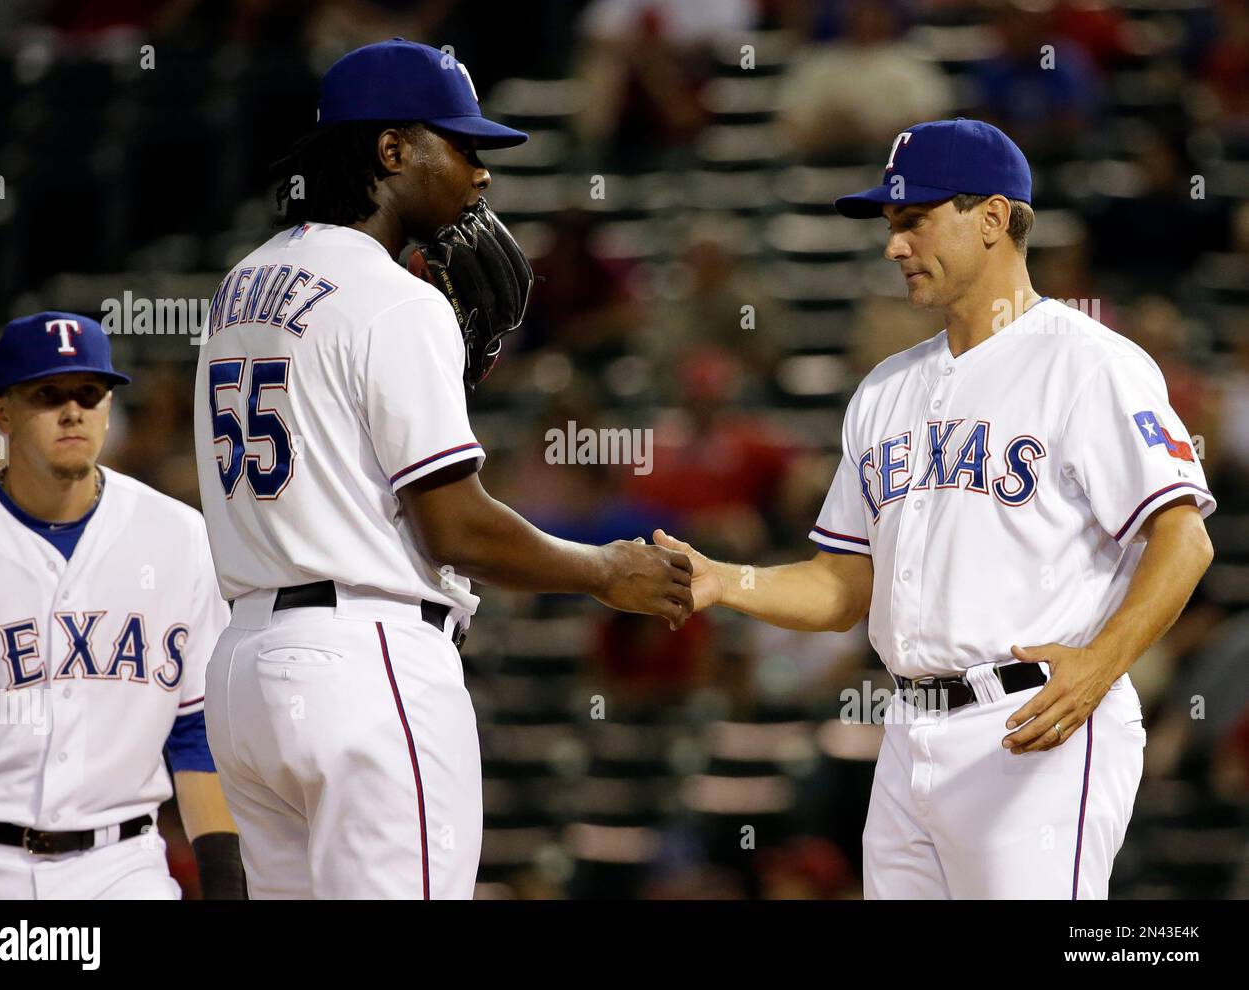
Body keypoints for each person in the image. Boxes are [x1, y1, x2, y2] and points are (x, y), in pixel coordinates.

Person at [655, 119, 1216, 899]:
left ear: (992, 218)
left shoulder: (1089, 364)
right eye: (890, 225)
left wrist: (1101, 665)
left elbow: (1184, 541)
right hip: (906, 733)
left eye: (914, 220)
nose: (894, 245)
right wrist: (728, 582)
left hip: (1033, 726)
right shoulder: (885, 389)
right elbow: (844, 587)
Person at [193, 39, 692, 900]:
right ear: (392, 151)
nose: (481, 175)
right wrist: (604, 569)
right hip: (366, 659)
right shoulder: (397, 299)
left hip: (244, 674)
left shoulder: (240, 283)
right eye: (461, 148)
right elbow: (455, 527)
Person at [0, 312, 241, 899]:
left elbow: (196, 734)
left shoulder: (178, 536)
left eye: (89, 392)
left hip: (123, 867)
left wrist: (225, 887)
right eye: (47, 394)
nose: (72, 411)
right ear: (1, 412)